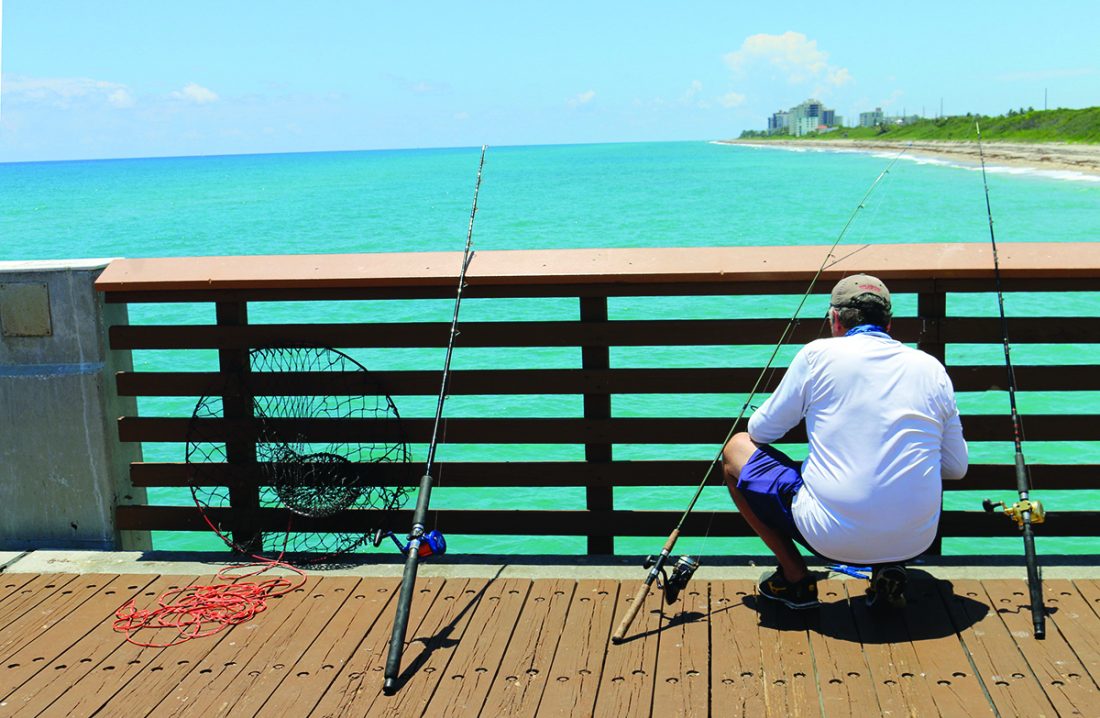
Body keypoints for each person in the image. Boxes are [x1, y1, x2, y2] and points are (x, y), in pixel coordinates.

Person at [722, 274, 968, 609]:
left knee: (736, 448)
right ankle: (888, 567)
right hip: (915, 539)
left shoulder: (816, 356)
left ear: (834, 319)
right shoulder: (931, 368)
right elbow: (955, 467)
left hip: (828, 537)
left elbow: (761, 431)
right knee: (891, 473)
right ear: (889, 324)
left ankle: (795, 579)